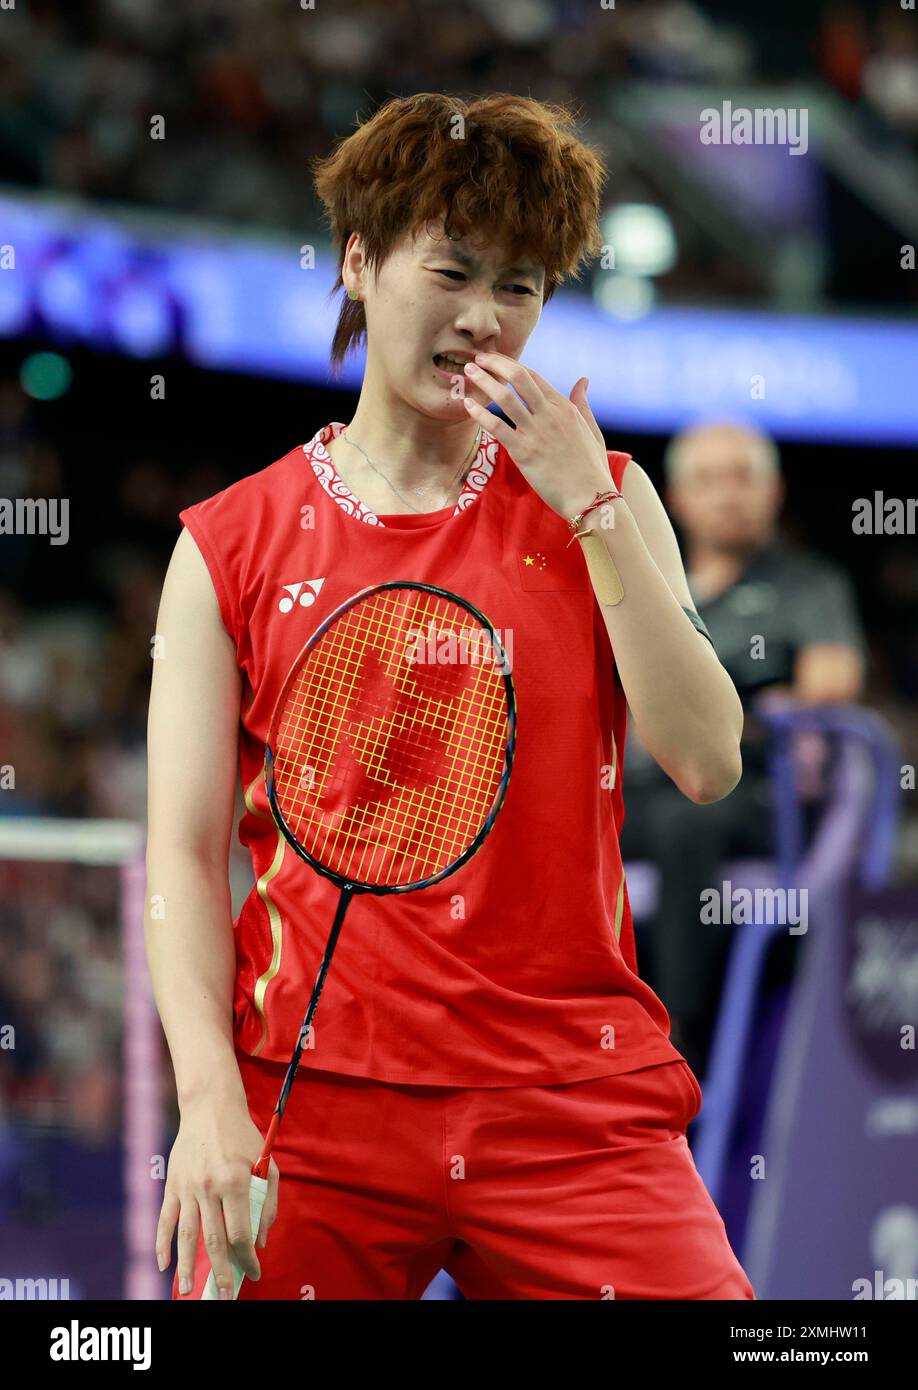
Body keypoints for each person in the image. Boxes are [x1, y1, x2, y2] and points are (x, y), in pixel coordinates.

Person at [146, 92, 755, 1300]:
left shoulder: (609, 494)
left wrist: (594, 512)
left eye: (521, 288)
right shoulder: (230, 543)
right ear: (360, 261)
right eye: (454, 271)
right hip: (309, 1104)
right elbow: (177, 851)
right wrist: (209, 1102)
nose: (484, 319)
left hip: (571, 1100)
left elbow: (709, 758)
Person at [619, 421, 868, 1078]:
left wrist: (735, 711)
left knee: (686, 819)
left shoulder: (806, 585)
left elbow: (828, 688)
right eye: (708, 479)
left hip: (753, 794)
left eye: (743, 477)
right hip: (638, 788)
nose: (728, 495)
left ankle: (676, 1046)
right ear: (675, 497)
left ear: (775, 491)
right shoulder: (651, 589)